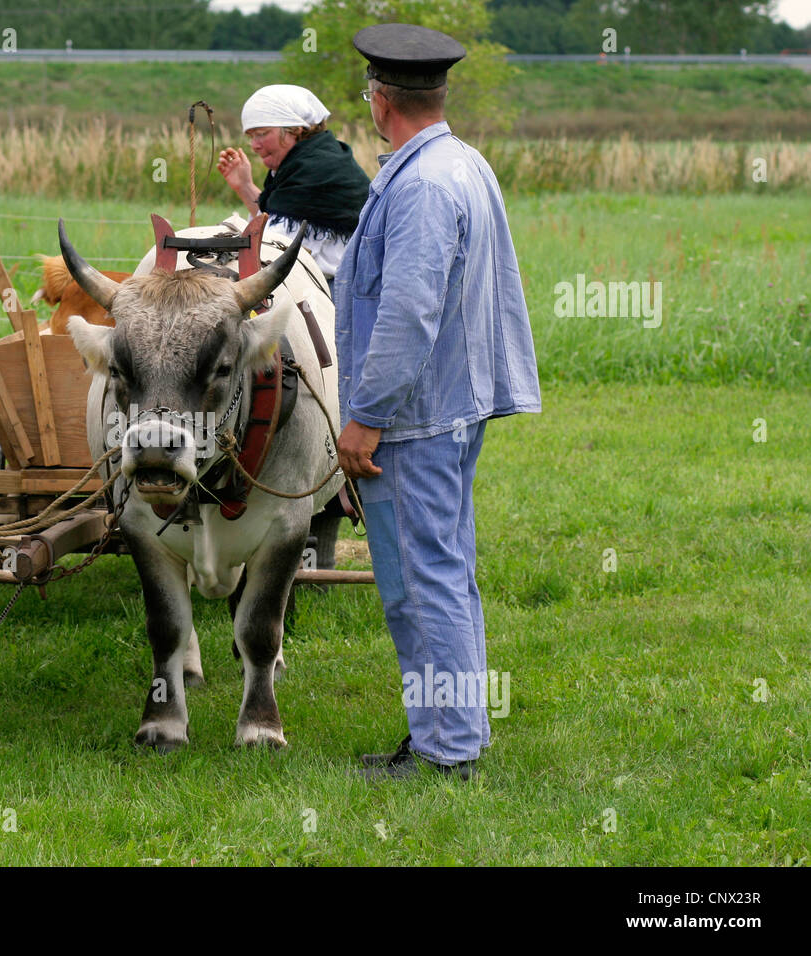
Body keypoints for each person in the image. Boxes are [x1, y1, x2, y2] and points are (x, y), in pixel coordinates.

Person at [333, 23, 542, 781]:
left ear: (381, 100)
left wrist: (364, 419)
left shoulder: (421, 183)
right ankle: (458, 734)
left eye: (368, 93)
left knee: (421, 586)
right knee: (445, 574)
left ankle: (445, 751)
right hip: (450, 406)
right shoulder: (461, 161)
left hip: (414, 419)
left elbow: (409, 311)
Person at [216, 84, 371, 287]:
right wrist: (244, 186)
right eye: (251, 136)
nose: (254, 145)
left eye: (261, 133)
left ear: (295, 130)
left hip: (335, 296)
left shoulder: (321, 170)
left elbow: (274, 248)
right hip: (307, 285)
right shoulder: (301, 166)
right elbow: (280, 220)